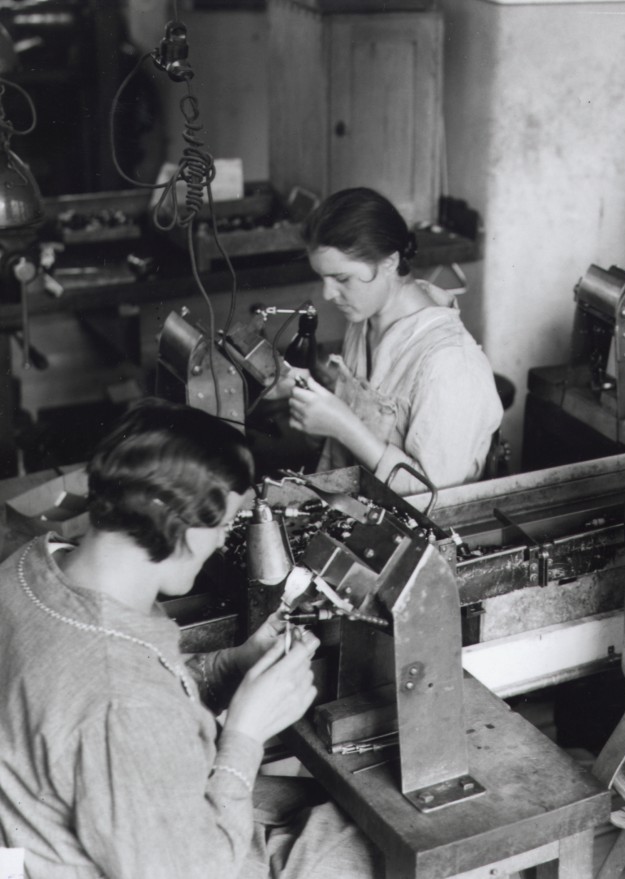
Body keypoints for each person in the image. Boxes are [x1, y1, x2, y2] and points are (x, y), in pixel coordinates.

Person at [0, 399, 378, 879]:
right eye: (221, 526)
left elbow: (118, 702)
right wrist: (246, 734)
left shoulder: (27, 571)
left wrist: (228, 666)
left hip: (72, 834)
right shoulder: (120, 700)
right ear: (172, 518)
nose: (223, 543)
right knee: (372, 847)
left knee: (335, 815)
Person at [288, 187, 502, 493]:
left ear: (389, 262)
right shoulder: (364, 320)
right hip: (354, 507)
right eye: (322, 278)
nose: (327, 294)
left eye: (342, 278)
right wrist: (307, 393)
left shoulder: (451, 365)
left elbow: (438, 502)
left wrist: (343, 426)